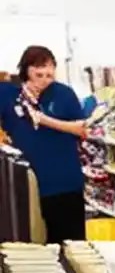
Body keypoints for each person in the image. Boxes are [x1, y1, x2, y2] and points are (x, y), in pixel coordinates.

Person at [0, 46, 88, 244]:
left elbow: (82, 129)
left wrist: (43, 119)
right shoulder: (8, 94)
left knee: (69, 245)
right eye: (38, 75)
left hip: (63, 183)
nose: (44, 80)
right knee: (28, 246)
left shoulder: (63, 94)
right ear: (26, 70)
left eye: (49, 75)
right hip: (24, 185)